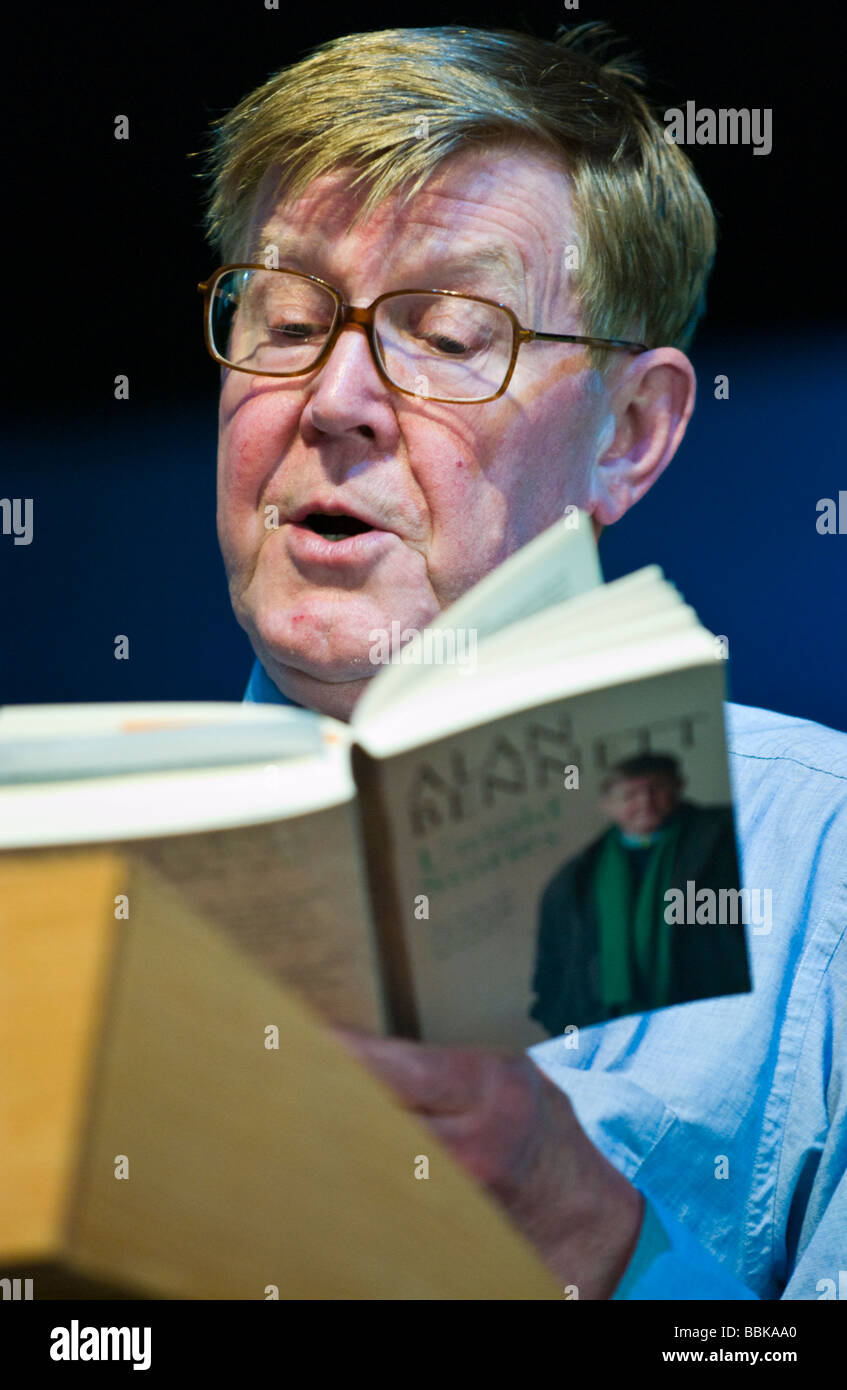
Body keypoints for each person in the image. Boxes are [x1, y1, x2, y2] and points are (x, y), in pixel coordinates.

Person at [199, 24, 846, 1297]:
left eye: (446, 334)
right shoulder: (59, 875)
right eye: (284, 318)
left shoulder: (826, 867)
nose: (332, 399)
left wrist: (579, 1229)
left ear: (632, 434)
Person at [531, 754, 748, 1034]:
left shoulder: (727, 837)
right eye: (630, 794)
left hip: (718, 1019)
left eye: (656, 788)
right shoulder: (575, 878)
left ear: (678, 787)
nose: (645, 802)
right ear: (607, 804)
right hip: (611, 1031)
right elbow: (553, 966)